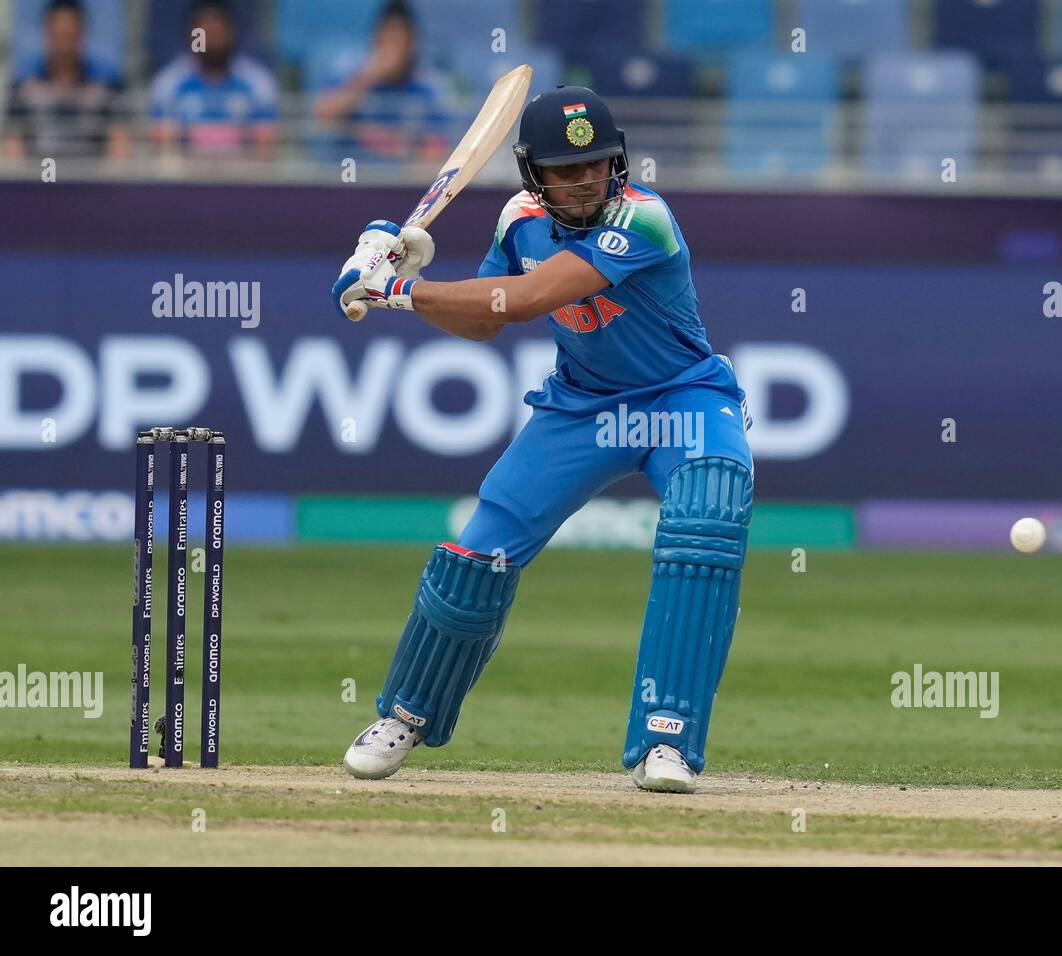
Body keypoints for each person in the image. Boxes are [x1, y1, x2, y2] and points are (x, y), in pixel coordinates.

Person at [331, 86, 753, 794]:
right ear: (534, 174)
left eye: (597, 163)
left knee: (706, 520)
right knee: (477, 553)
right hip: (583, 408)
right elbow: (484, 322)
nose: (585, 179)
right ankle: (406, 712)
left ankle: (666, 741)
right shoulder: (519, 221)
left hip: (685, 398)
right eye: (566, 168)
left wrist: (396, 290)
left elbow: (525, 300)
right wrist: (404, 279)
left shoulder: (644, 219)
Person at [312, 0, 451, 163]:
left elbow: (437, 150)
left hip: (399, 184)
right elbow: (323, 115)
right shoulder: (351, 72)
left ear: (412, 45)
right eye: (385, 41)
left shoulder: (426, 89)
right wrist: (368, 78)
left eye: (397, 43)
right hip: (347, 179)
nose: (390, 51)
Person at [149, 0, 277, 158]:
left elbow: (265, 141)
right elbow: (162, 139)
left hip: (242, 173)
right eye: (205, 33)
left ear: (231, 33)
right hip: (186, 172)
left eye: (218, 32)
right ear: (193, 36)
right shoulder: (170, 81)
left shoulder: (257, 81)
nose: (212, 39)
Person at [3, 0, 130, 160]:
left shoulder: (107, 86)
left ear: (82, 34)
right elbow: (13, 148)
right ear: (45, 34)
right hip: (39, 178)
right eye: (57, 36)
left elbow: (119, 146)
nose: (63, 46)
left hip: (92, 179)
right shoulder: (23, 88)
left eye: (69, 36)